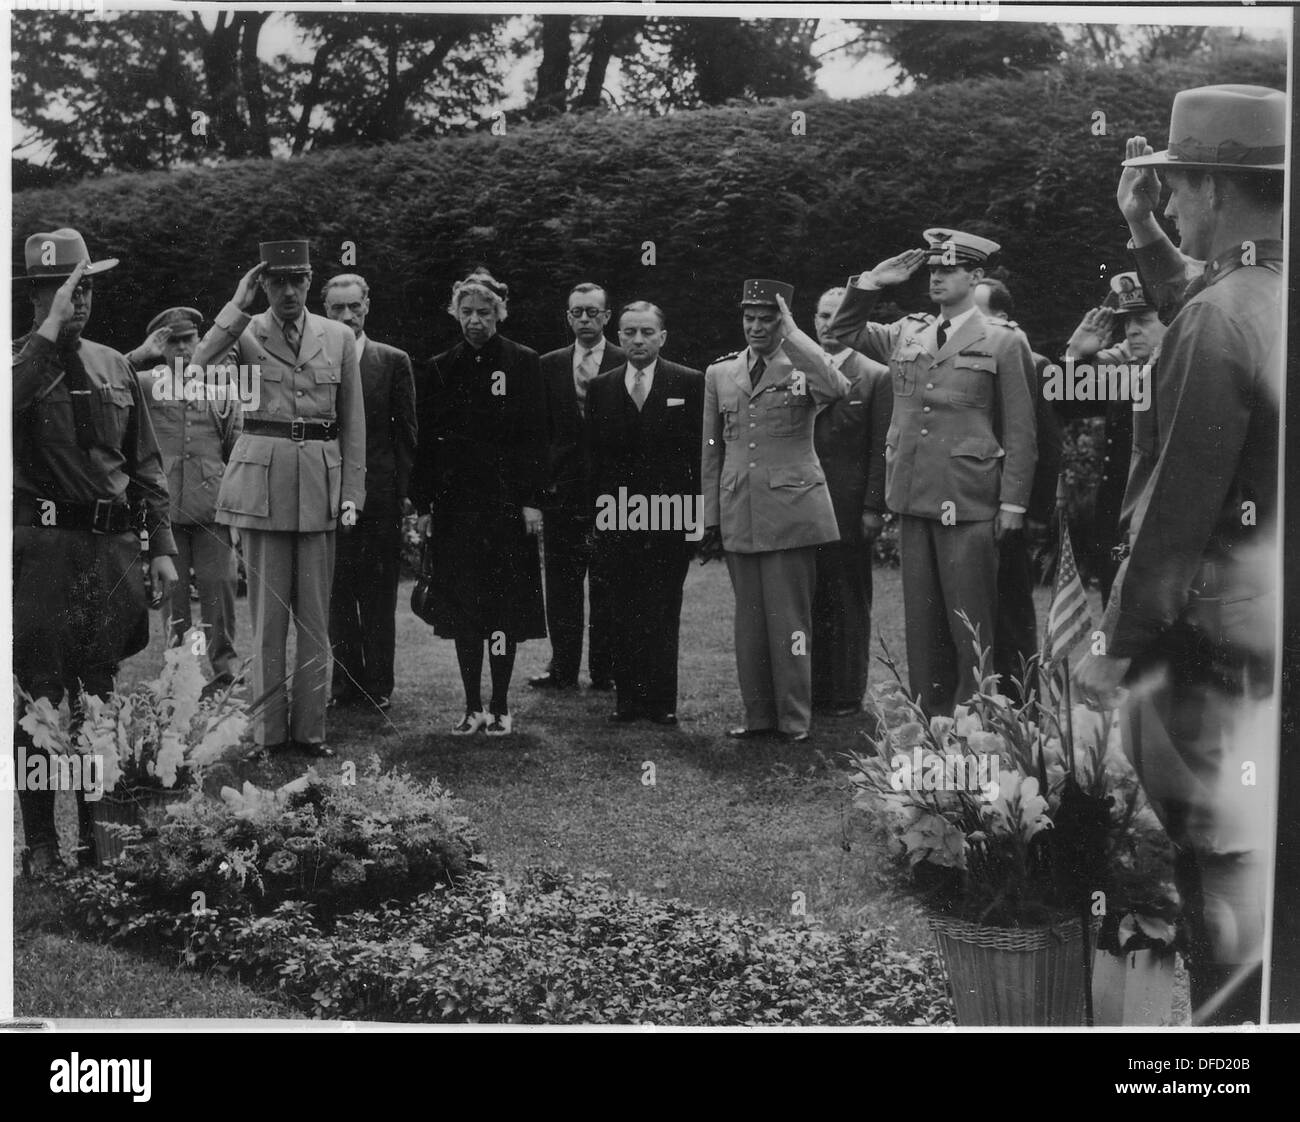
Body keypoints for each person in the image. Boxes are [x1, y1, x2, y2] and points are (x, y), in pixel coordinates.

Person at [1074, 86, 1285, 1025]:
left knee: (1222, 893)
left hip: (1216, 666)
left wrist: (1112, 648)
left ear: (1208, 185)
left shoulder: (1218, 315)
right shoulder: (1261, 294)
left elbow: (1174, 516)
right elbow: (1210, 308)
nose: (1171, 207)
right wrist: (1144, 235)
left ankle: (1224, 1068)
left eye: (1174, 189)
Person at [13, 228, 179, 875]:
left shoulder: (117, 366)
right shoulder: (19, 363)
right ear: (37, 294)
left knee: (100, 697)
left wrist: (161, 546)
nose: (77, 300)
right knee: (40, 700)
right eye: (63, 289)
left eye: (85, 288)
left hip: (108, 553)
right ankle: (42, 845)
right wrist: (49, 334)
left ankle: (96, 835)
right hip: (44, 554)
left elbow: (145, 466)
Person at [829, 230, 1037, 716]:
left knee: (970, 622)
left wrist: (1013, 503)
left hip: (969, 498)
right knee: (922, 622)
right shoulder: (908, 332)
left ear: (976, 276)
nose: (937, 278)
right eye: (933, 271)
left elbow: (1021, 429)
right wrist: (871, 284)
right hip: (914, 492)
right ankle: (932, 721)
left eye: (949, 270)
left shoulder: (1004, 341)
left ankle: (977, 722)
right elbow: (841, 335)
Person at [191, 239, 366, 758]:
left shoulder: (337, 337)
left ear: (311, 282)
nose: (289, 291)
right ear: (263, 284)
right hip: (262, 489)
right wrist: (237, 304)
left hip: (319, 484)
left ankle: (309, 732)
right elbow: (197, 366)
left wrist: (352, 491)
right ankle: (268, 733)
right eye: (277, 281)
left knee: (315, 618)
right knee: (267, 622)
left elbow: (353, 421)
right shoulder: (245, 331)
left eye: (298, 280)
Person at [700, 280, 850, 742]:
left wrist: (795, 335)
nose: (756, 327)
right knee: (749, 622)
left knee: (789, 621)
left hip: (791, 511)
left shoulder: (802, 364)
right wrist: (709, 517)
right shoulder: (720, 373)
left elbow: (837, 385)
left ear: (782, 321)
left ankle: (793, 719)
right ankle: (758, 716)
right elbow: (711, 450)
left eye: (767, 319)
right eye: (750, 318)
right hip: (739, 507)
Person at [410, 270, 547, 737]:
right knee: (464, 611)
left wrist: (532, 501)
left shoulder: (524, 363)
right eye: (466, 312)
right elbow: (424, 441)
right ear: (455, 314)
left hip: (507, 509)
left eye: (483, 313)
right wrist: (424, 504)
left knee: (503, 608)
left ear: (499, 314)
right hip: (455, 509)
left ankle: (501, 704)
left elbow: (535, 438)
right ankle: (471, 706)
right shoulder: (438, 366)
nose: (474, 321)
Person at [587, 301, 703, 726]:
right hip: (617, 515)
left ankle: (661, 702)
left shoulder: (689, 382)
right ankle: (628, 699)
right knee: (622, 607)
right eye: (630, 332)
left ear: (662, 337)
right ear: (619, 336)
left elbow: (698, 457)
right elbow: (594, 460)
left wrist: (695, 521)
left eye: (646, 332)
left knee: (663, 607)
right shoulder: (602, 387)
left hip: (670, 516)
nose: (638, 340)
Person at [130, 306, 242, 689]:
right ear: (161, 346)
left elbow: (233, 445)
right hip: (167, 507)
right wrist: (142, 353)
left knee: (220, 588)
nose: (181, 348)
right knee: (173, 595)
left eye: (188, 339)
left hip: (212, 504)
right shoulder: (145, 382)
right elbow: (112, 379)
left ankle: (225, 669)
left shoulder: (221, 388)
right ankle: (179, 669)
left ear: (199, 340)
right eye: (172, 341)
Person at [321, 273, 417, 713]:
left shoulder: (392, 360)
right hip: (326, 495)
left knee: (378, 596)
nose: (346, 315)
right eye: (336, 308)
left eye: (353, 307)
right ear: (326, 311)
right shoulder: (317, 358)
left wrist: (404, 494)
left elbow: (406, 436)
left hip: (379, 497)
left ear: (367, 306)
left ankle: (378, 684)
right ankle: (345, 683)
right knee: (337, 595)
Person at [530, 283, 624, 692]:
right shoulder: (547, 365)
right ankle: (562, 668)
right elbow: (537, 433)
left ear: (607, 316)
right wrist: (538, 491)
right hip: (562, 495)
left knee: (608, 584)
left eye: (592, 312)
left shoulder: (627, 361)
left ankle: (606, 669)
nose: (584, 320)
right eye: (576, 313)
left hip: (611, 493)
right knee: (562, 587)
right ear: (567, 317)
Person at [973, 277, 1063, 703]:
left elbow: (1046, 443)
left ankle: (1020, 705)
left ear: (1005, 320)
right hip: (968, 505)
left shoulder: (1035, 363)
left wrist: (1032, 514)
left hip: (1010, 512)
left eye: (979, 313)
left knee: (1011, 615)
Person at [809, 286, 892, 717]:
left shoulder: (876, 375)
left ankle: (845, 692)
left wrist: (873, 507)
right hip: (802, 505)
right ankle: (810, 686)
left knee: (847, 601)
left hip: (848, 506)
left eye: (837, 315)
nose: (828, 324)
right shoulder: (797, 368)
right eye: (822, 315)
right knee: (809, 597)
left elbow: (881, 448)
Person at [1058, 275, 1167, 602]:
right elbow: (1068, 406)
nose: (1132, 330)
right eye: (1127, 321)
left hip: (1160, 518)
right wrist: (1075, 355)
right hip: (1117, 518)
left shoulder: (1187, 371)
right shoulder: (1129, 372)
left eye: (1144, 320)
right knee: (1112, 611)